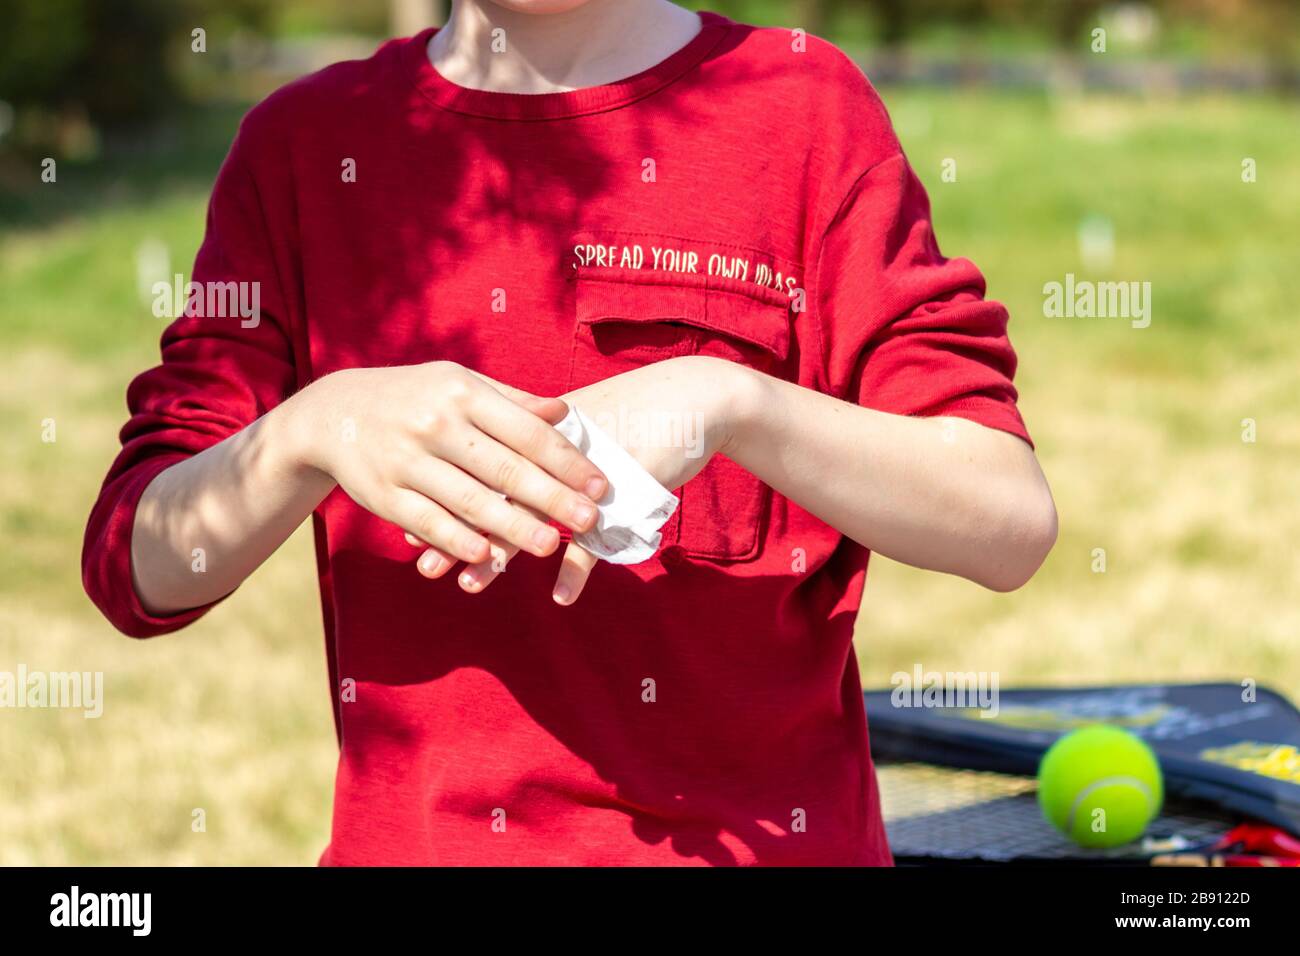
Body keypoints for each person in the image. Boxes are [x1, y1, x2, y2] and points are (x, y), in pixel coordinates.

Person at [83, 0, 1057, 865]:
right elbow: (141, 566)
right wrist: (308, 429)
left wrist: (731, 401)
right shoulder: (301, 146)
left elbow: (1004, 519)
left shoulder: (803, 107)